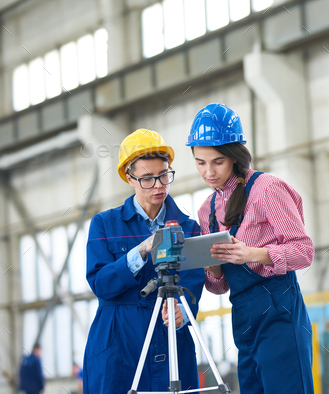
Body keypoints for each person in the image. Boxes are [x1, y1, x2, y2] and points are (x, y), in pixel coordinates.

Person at [163, 103, 315, 393]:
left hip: (278, 310)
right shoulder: (207, 209)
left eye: (217, 161)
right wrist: (213, 266)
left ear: (234, 156)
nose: (208, 171)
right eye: (200, 162)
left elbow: (304, 251)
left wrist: (251, 253)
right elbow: (218, 287)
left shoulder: (266, 189)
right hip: (242, 316)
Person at [83, 129, 205, 394]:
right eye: (148, 179)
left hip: (170, 335)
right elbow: (100, 284)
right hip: (118, 340)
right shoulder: (104, 224)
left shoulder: (189, 227)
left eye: (163, 175)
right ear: (130, 178)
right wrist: (140, 251)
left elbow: (194, 284)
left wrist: (183, 313)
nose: (159, 185)